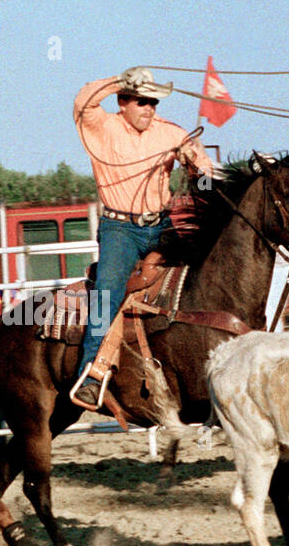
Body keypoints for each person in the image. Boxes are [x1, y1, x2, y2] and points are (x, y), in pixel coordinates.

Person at [69, 67, 213, 410]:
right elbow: (82, 102)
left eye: (153, 102)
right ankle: (91, 374)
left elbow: (203, 167)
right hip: (120, 229)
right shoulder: (102, 127)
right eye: (142, 101)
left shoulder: (171, 133)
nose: (149, 108)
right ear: (123, 102)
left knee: (209, 268)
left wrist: (201, 177)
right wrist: (118, 80)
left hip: (161, 225)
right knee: (108, 291)